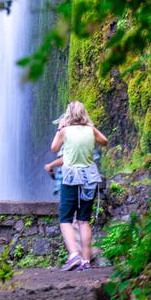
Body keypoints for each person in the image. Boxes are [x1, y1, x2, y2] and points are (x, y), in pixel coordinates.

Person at [51, 100, 108, 271]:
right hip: (89, 178)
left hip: (71, 178)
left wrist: (60, 128)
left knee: (65, 219)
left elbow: (54, 149)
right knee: (83, 221)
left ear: (68, 115)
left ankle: (73, 255)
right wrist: (91, 127)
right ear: (83, 113)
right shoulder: (90, 130)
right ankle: (85, 260)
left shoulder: (65, 131)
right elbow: (104, 141)